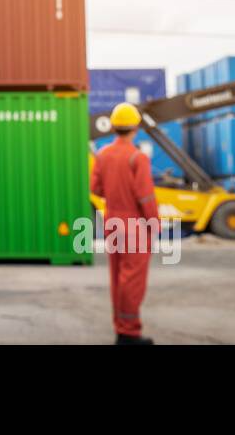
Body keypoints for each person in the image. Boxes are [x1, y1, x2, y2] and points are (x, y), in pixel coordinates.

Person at [90, 103, 158, 345]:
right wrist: (154, 224)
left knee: (117, 277)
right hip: (134, 225)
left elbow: (95, 187)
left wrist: (114, 191)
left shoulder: (103, 154)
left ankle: (121, 328)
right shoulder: (137, 157)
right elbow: (146, 196)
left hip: (112, 221)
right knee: (132, 279)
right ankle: (129, 333)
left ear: (114, 126)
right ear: (135, 127)